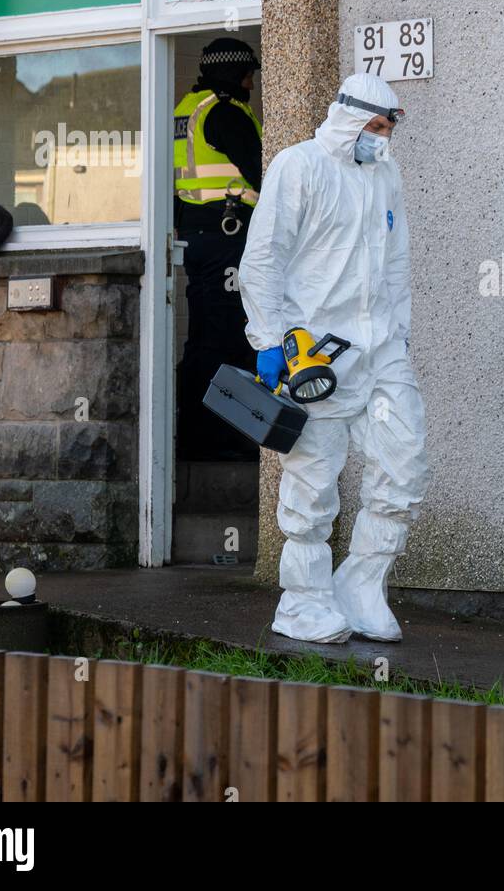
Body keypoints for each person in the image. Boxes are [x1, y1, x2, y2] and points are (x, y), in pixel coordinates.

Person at [239, 73, 429, 643]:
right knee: (314, 481)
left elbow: (396, 263)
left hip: (381, 352)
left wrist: (399, 334)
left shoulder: (385, 175)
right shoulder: (300, 167)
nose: (381, 140)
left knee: (404, 465)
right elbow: (263, 259)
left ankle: (362, 586)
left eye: (388, 130)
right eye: (374, 128)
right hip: (314, 353)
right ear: (349, 118)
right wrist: (268, 339)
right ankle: (303, 601)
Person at [174, 37, 265, 461]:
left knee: (204, 338)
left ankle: (196, 436)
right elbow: (264, 176)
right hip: (227, 238)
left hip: (198, 239)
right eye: (249, 72)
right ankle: (222, 439)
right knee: (230, 337)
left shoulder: (188, 109)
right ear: (232, 73)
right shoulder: (225, 112)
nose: (253, 80)